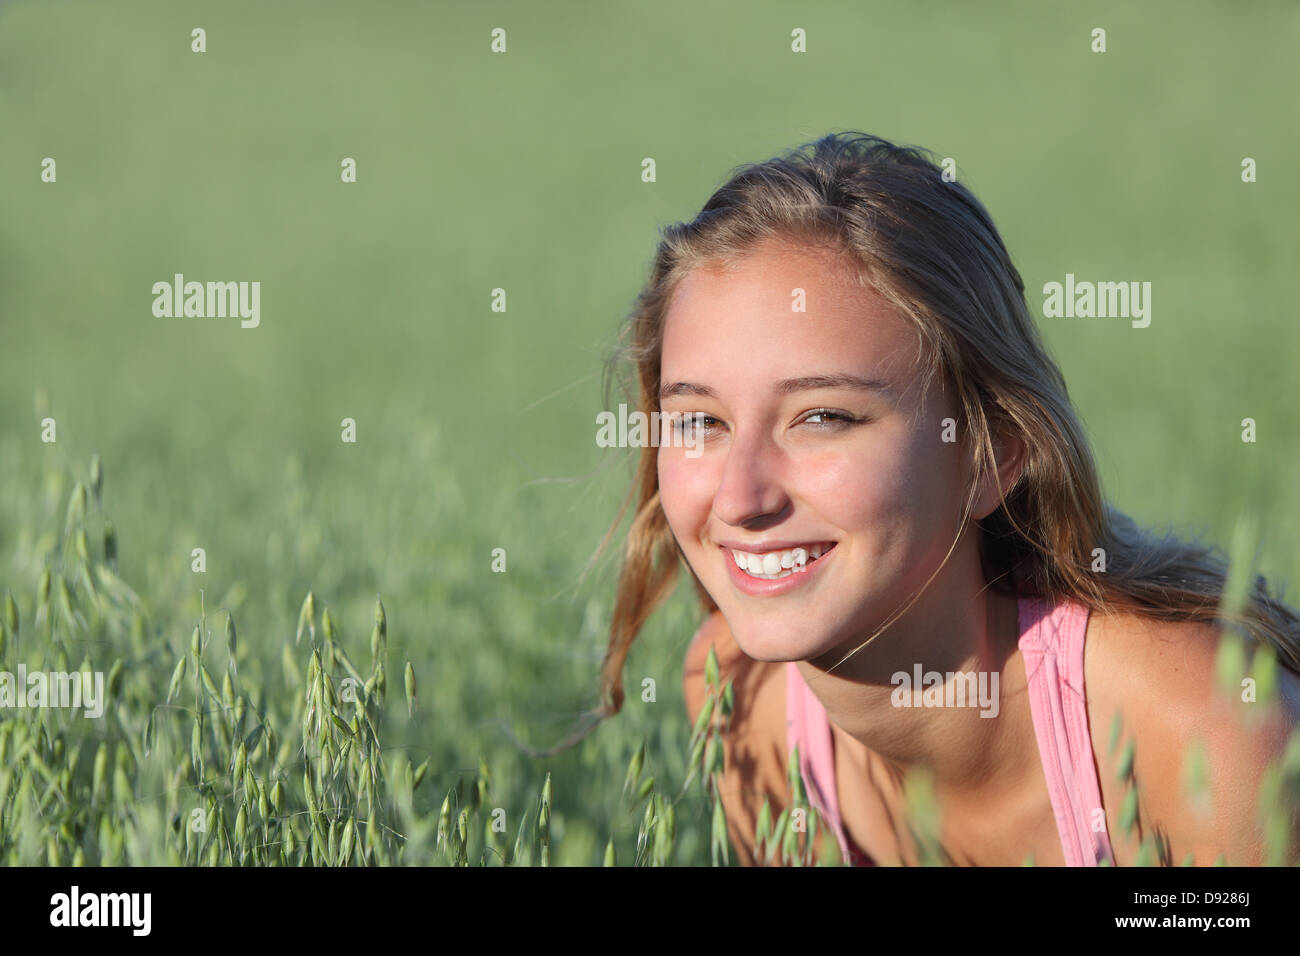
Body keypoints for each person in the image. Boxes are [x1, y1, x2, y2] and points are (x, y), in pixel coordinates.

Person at [585, 131, 1300, 866]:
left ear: (994, 452)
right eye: (700, 421)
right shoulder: (741, 701)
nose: (740, 496)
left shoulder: (1198, 725)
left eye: (823, 417)